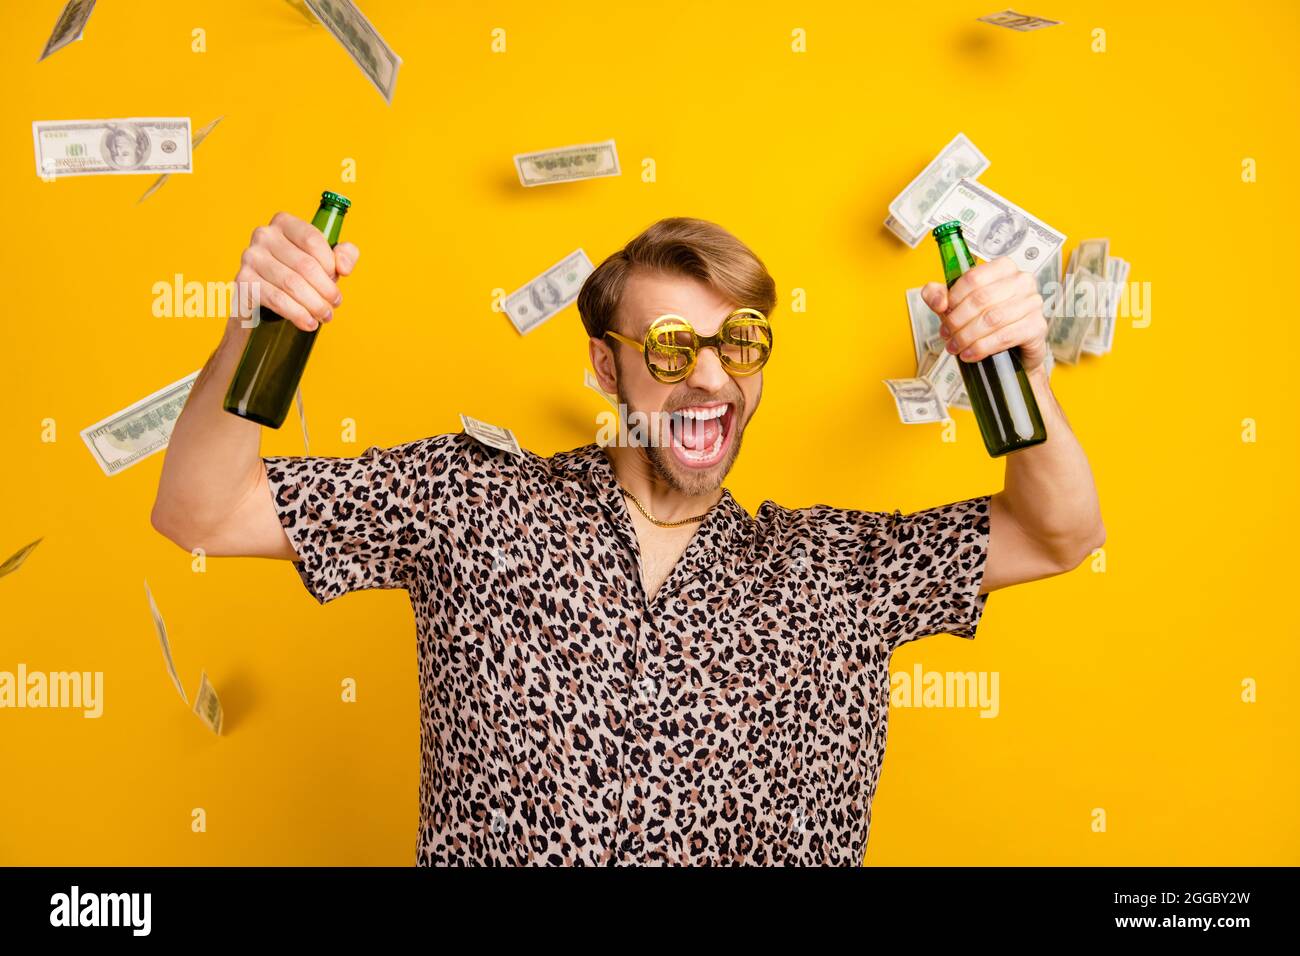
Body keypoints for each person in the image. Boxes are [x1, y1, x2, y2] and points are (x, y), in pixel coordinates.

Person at [151, 212, 1104, 865]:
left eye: (738, 345)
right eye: (671, 349)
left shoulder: (837, 572)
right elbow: (203, 510)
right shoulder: (471, 504)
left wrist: (1028, 376)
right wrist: (256, 327)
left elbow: (1058, 533)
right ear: (607, 366)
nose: (710, 380)